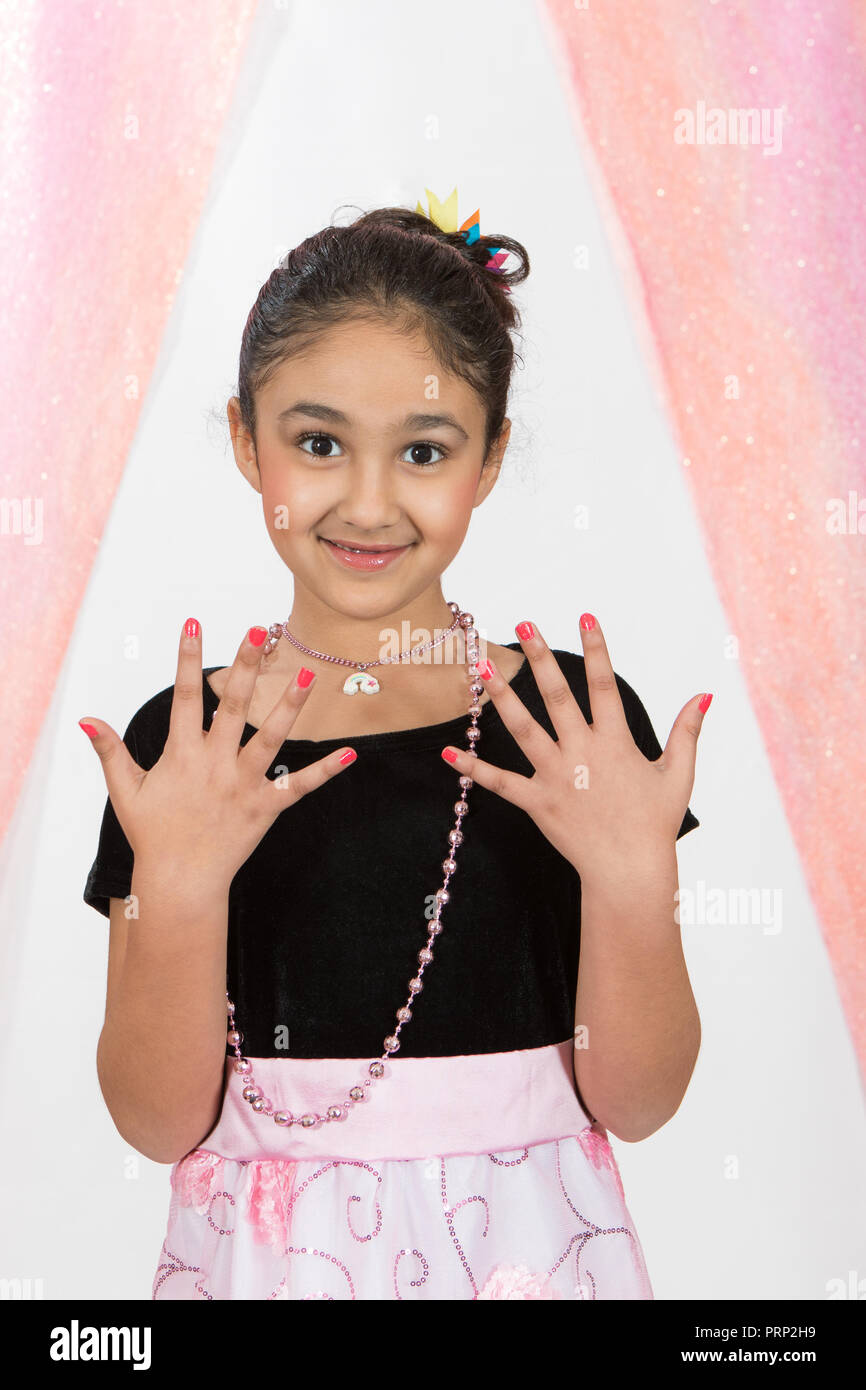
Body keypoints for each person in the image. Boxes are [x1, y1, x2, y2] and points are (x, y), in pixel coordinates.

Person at [81, 190, 708, 1300]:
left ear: (490, 459)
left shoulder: (564, 729)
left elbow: (642, 1100)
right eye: (317, 442)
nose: (368, 502)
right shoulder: (189, 744)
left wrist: (627, 874)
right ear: (243, 438)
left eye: (423, 451)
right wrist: (176, 886)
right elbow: (151, 1118)